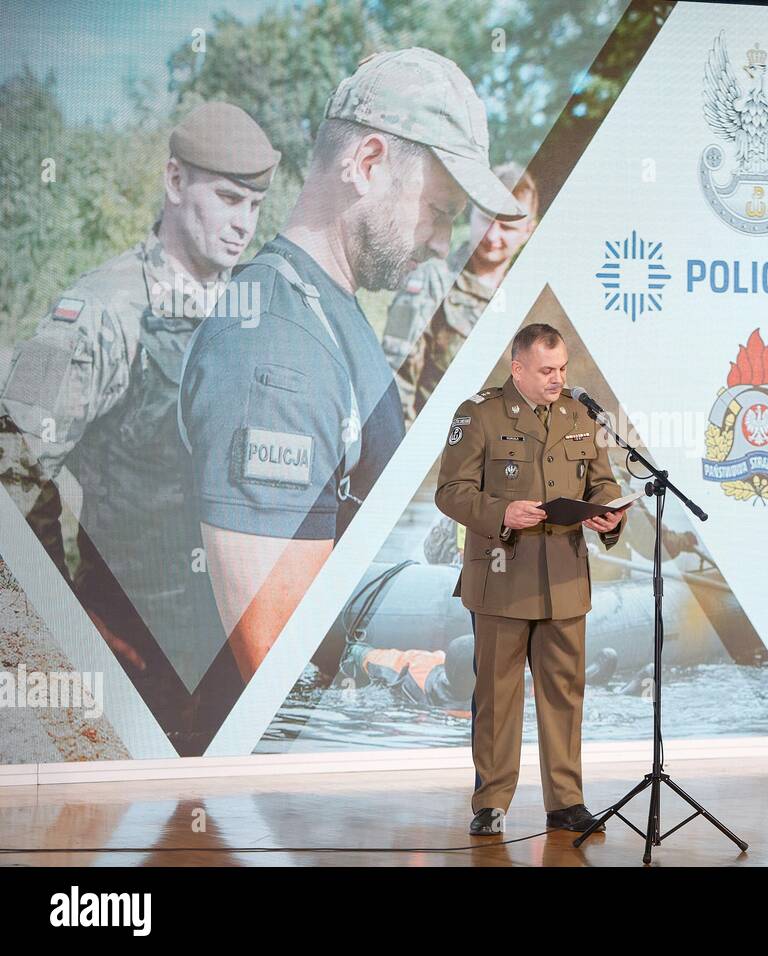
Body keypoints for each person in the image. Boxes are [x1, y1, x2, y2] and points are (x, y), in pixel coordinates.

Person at [178, 48, 525, 684]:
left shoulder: (330, 312)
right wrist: (391, 671)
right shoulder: (276, 350)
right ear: (367, 164)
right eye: (441, 211)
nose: (447, 242)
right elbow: (275, 653)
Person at [0, 102, 278, 738]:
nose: (243, 225)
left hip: (235, 654)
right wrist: (70, 620)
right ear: (175, 182)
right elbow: (9, 474)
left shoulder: (251, 313)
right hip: (132, 658)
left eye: (255, 208)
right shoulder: (95, 313)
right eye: (229, 198)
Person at [435, 322, 627, 835]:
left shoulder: (579, 415)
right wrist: (503, 512)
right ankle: (491, 802)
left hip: (565, 579)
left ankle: (565, 800)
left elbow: (602, 482)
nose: (557, 379)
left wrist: (609, 513)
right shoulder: (478, 414)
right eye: (546, 370)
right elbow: (450, 491)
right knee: (497, 696)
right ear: (517, 368)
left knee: (565, 691)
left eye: (562, 368)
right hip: (502, 576)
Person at [383, 163, 540, 424]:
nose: (493, 236)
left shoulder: (526, 305)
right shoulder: (432, 278)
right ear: (471, 211)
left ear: (528, 231)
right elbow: (395, 384)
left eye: (508, 228)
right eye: (486, 220)